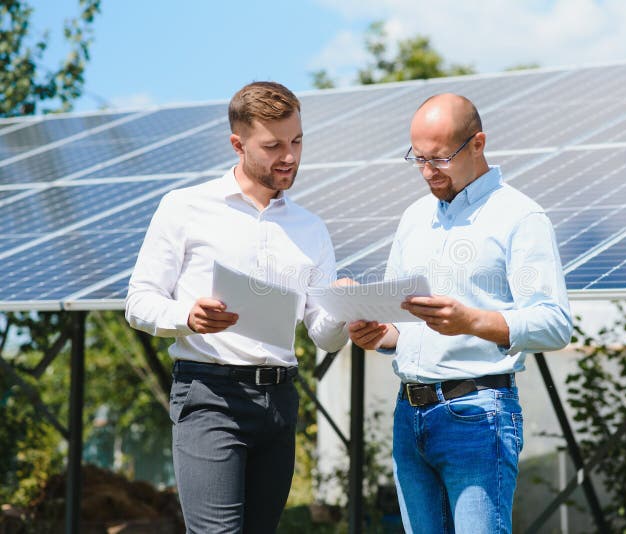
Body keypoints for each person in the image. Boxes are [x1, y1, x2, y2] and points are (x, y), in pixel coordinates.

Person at [125, 81, 349, 533]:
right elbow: (139, 301)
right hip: (210, 396)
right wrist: (187, 317)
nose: (290, 156)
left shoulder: (311, 228)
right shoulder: (185, 208)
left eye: (297, 141)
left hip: (280, 401)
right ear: (237, 143)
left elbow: (323, 332)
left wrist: (346, 309)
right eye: (273, 146)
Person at [348, 93, 572, 533]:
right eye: (418, 159)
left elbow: (554, 324)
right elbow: (402, 323)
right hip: (409, 415)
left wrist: (471, 321)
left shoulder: (520, 217)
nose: (428, 172)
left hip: (477, 414)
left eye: (440, 159)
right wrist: (376, 332)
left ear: (477, 144)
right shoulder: (414, 217)